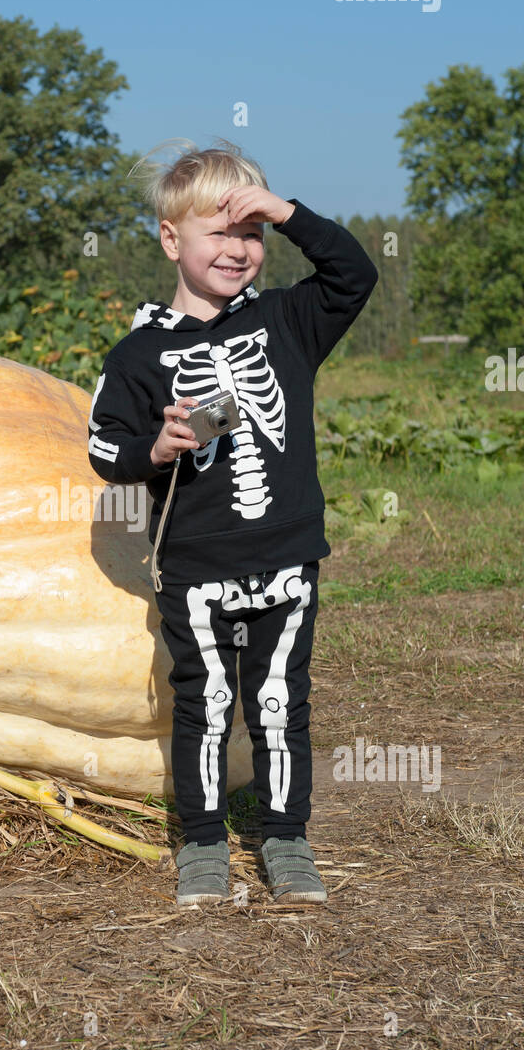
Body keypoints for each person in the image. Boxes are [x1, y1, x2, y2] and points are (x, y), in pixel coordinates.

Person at [86, 140, 378, 906]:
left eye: (251, 232)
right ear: (169, 238)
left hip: (285, 553)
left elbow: (355, 273)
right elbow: (103, 445)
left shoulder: (290, 321)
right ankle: (205, 843)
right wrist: (155, 446)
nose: (239, 248)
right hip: (195, 564)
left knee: (282, 698)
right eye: (219, 230)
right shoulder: (139, 355)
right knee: (206, 702)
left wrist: (286, 212)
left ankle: (286, 835)